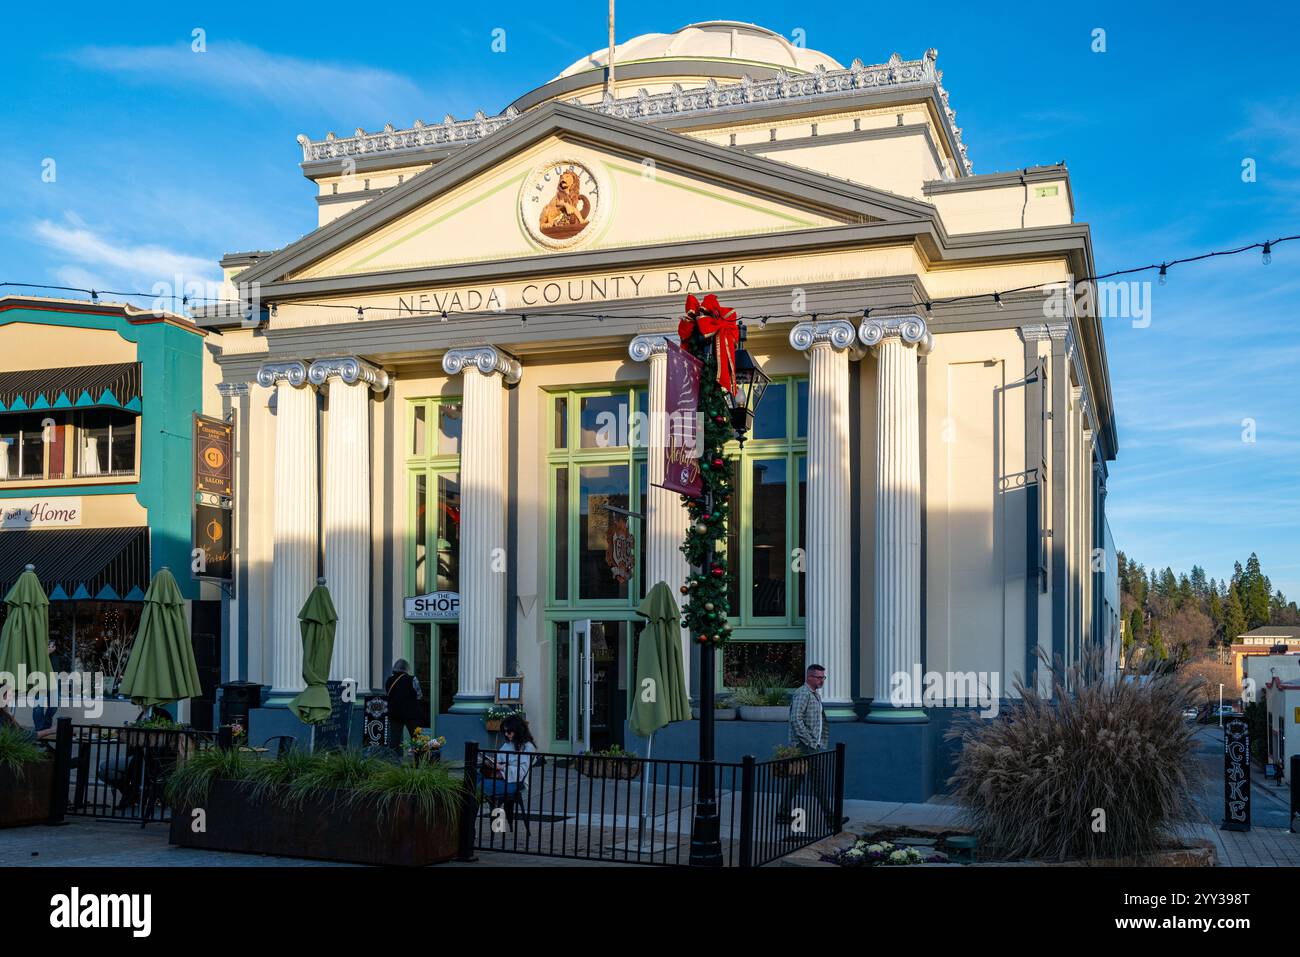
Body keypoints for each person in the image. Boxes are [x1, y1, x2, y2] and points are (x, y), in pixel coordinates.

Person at [777, 664, 844, 832]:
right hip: (805, 745)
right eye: (818, 677)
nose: (822, 680)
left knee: (797, 779)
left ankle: (782, 814)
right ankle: (830, 818)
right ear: (809, 677)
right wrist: (809, 741)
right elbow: (795, 719)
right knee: (818, 780)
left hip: (810, 743)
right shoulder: (803, 693)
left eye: (823, 677)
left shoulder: (815, 695)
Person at [480, 714, 537, 805]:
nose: (506, 734)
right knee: (473, 779)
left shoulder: (527, 747)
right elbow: (499, 758)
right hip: (501, 777)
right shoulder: (509, 744)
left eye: (509, 732)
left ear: (517, 730)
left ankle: (469, 817)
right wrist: (491, 762)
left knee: (477, 786)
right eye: (505, 731)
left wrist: (502, 767)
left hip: (514, 781)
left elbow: (521, 772)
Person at [384, 659, 424, 748]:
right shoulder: (412, 679)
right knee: (417, 738)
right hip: (411, 713)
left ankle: (393, 759)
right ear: (406, 668)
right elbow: (419, 695)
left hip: (395, 713)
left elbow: (388, 694)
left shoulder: (389, 680)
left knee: (394, 739)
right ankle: (420, 759)